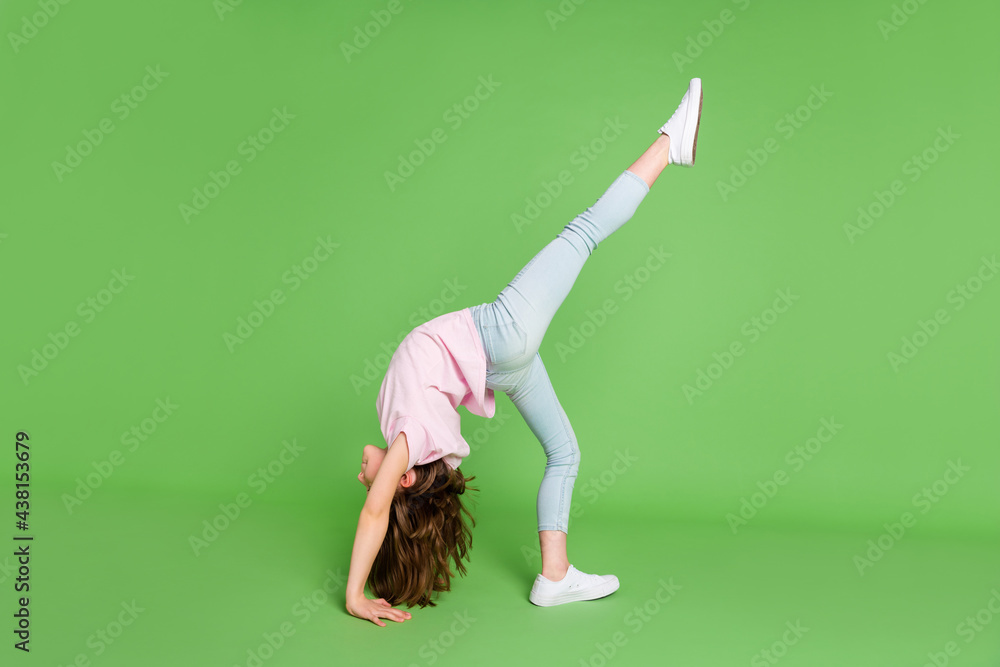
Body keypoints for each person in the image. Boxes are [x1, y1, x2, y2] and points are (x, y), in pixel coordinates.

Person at [346, 78, 703, 627]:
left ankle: (554, 577)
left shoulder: (409, 433)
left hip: (500, 365)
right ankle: (668, 144)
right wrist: (354, 595)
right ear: (406, 480)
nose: (366, 477)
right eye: (382, 482)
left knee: (565, 452)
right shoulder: (409, 439)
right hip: (499, 334)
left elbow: (381, 505)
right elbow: (375, 513)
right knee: (583, 233)